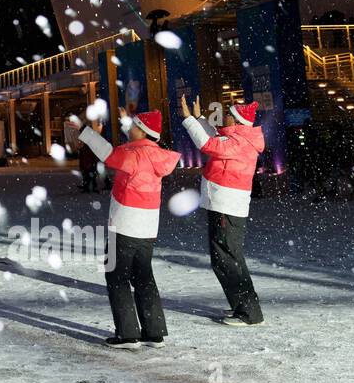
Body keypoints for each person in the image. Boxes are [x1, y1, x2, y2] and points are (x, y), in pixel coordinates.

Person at [78, 109, 179, 349]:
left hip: (125, 221)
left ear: (142, 130)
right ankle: (154, 332)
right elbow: (127, 144)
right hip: (147, 223)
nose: (129, 129)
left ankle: (127, 334)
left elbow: (108, 154)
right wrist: (127, 118)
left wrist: (85, 132)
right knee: (143, 275)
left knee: (117, 275)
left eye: (133, 125)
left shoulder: (134, 154)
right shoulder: (156, 154)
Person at [180, 95, 265, 327]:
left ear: (237, 121)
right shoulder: (238, 137)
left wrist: (189, 120)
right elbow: (216, 139)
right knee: (228, 258)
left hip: (227, 207)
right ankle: (243, 305)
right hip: (224, 206)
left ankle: (249, 313)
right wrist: (199, 118)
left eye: (229, 114)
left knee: (227, 259)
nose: (224, 116)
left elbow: (208, 144)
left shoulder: (239, 142)